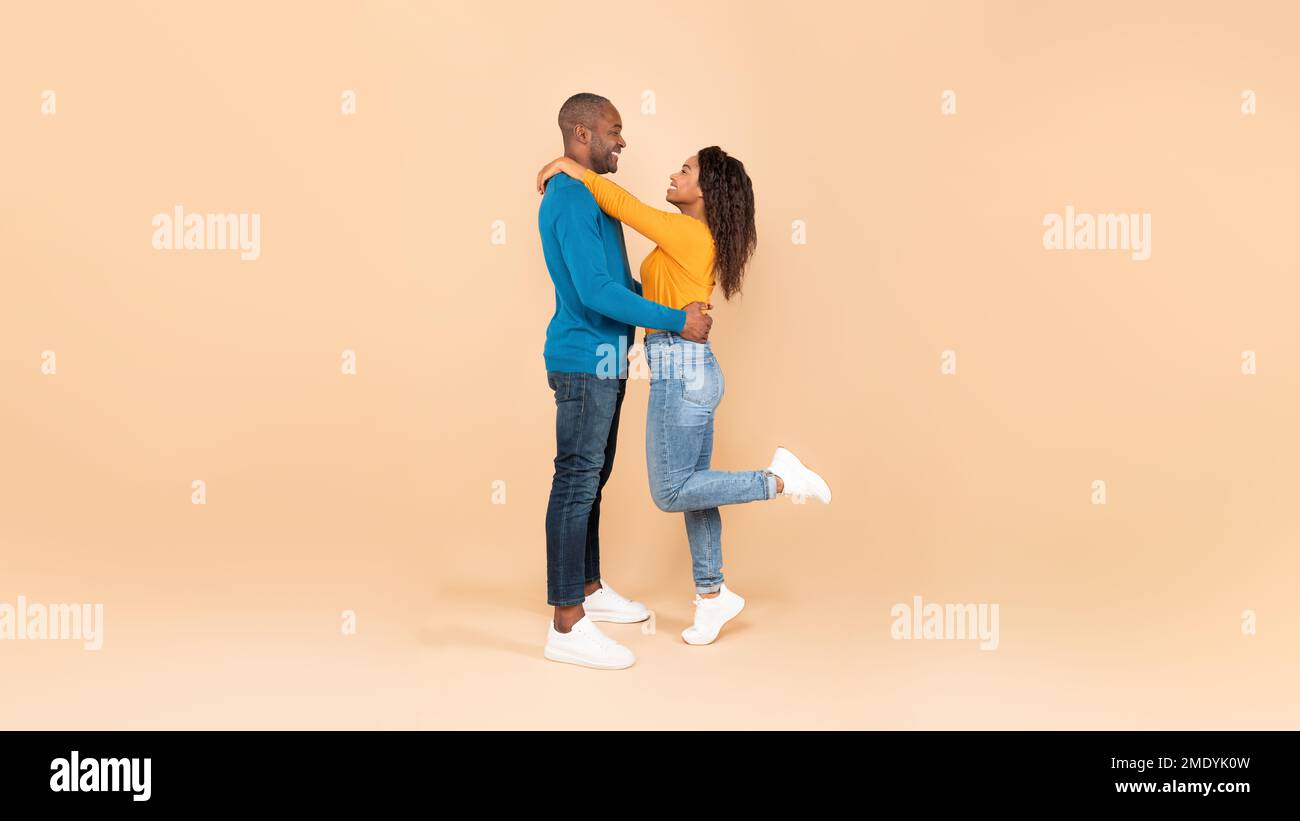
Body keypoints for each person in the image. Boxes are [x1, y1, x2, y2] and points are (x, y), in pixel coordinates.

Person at [537, 112, 832, 649]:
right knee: (692, 489)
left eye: (686, 170)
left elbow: (624, 207)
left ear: (706, 190)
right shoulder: (683, 242)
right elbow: (628, 287)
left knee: (672, 490)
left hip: (681, 367)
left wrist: (569, 167)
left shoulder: (687, 231)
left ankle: (777, 480)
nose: (674, 174)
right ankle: (713, 594)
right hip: (687, 366)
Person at [538, 93, 714, 670]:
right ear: (582, 135)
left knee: (592, 479)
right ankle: (566, 624)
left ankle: (588, 589)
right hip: (584, 360)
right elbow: (594, 292)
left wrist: (655, 305)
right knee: (575, 482)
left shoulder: (589, 193)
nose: (622, 141)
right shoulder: (569, 196)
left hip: (610, 361)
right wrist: (677, 321)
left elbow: (617, 284)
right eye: (614, 131)